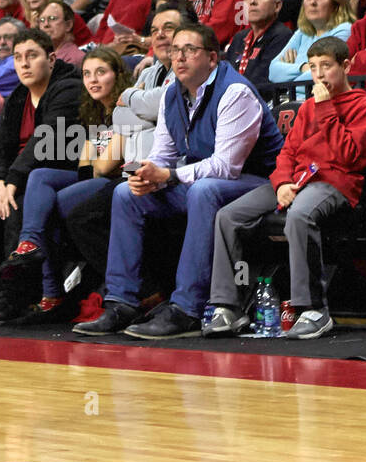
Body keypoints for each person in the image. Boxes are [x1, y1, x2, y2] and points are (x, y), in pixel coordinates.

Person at [74, 23, 284, 339]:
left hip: (259, 183)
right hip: (204, 180)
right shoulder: (173, 94)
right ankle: (123, 301)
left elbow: (226, 167)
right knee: (126, 193)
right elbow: (163, 154)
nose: (180, 57)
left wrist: (169, 176)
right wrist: (148, 176)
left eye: (189, 50)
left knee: (203, 190)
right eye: (175, 51)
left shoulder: (235, 92)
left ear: (212, 58)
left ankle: (187, 308)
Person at [204, 37, 366, 340]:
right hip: (297, 180)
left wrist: (325, 107)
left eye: (327, 66)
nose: (320, 74)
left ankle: (313, 310)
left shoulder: (365, 104)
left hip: (334, 181)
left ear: (346, 66)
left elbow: (348, 155)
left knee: (299, 215)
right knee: (228, 216)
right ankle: (227, 307)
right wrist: (282, 182)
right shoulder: (308, 108)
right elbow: (287, 154)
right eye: (313, 68)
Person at [4, 46, 132, 322]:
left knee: (52, 204)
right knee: (40, 176)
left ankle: (52, 293)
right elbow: (87, 166)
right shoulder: (93, 111)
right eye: (87, 73)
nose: (93, 80)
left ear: (117, 75)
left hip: (120, 182)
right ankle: (30, 242)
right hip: (96, 180)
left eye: (101, 72)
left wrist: (96, 158)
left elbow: (105, 166)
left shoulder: (126, 107)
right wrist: (96, 158)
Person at [223, 0, 293, 87]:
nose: (252, 1)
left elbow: (264, 80)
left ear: (277, 6)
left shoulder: (282, 35)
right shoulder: (239, 37)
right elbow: (225, 75)